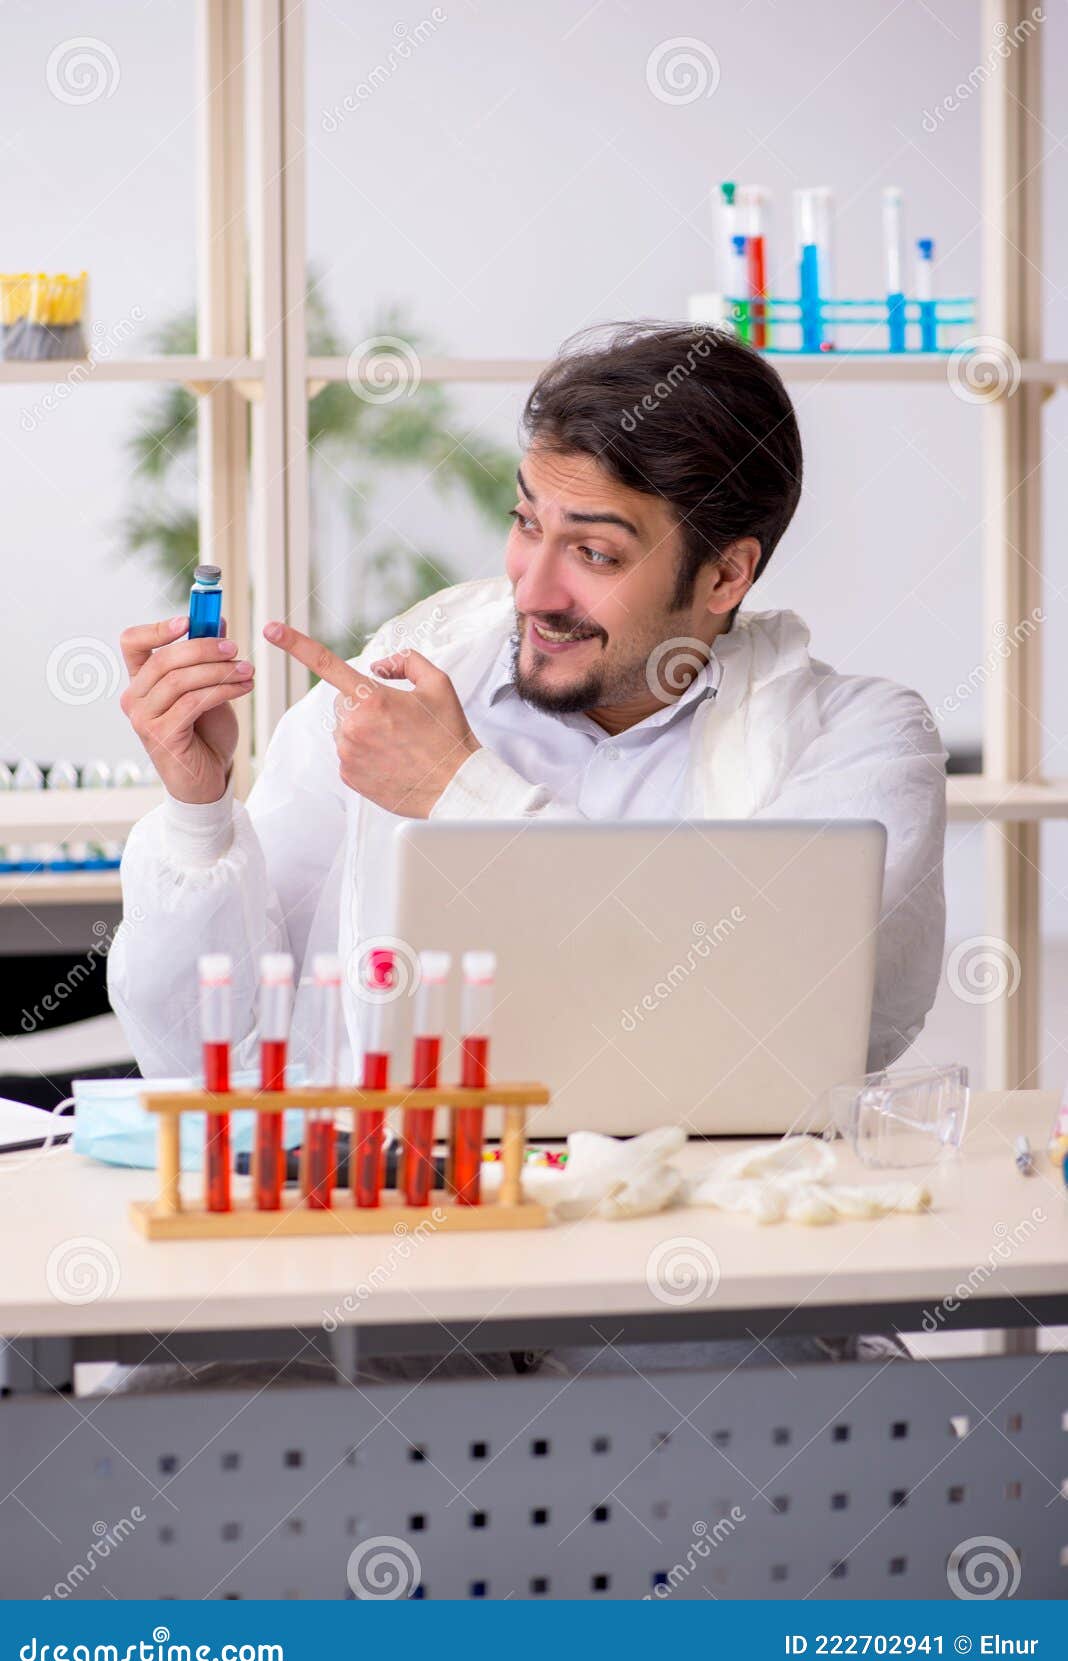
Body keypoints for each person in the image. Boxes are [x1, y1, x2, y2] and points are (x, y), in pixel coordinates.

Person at [108, 319, 943, 1380]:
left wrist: (462, 792)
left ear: (727, 574)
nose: (533, 588)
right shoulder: (382, 703)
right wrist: (196, 810)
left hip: (684, 1280)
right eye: (523, 523)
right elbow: (205, 1059)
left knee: (779, 1410)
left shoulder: (856, 741)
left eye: (594, 552)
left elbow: (757, 1022)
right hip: (398, 1267)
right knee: (176, 1403)